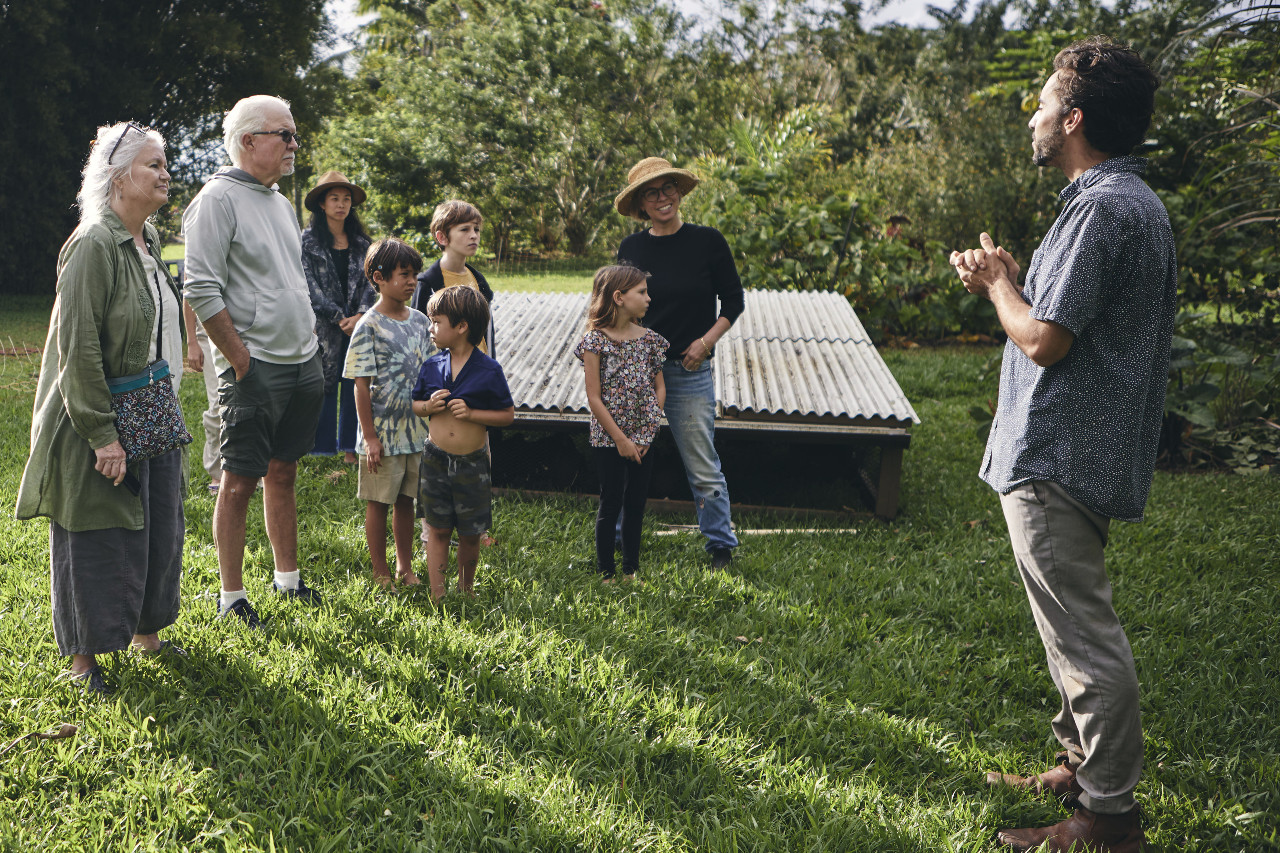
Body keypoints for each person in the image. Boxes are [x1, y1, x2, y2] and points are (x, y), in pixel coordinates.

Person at [950, 37, 1175, 853]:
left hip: (1062, 454)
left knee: (1083, 636)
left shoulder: (1104, 206)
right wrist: (1016, 276)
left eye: (1045, 103)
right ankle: (1080, 766)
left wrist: (997, 286)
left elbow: (1044, 340)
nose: (1037, 116)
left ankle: (1106, 816)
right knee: (1064, 624)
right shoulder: (1120, 201)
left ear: (1074, 118)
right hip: (1076, 450)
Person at [17, 121, 187, 694]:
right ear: (117, 177)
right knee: (93, 529)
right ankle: (84, 661)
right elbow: (78, 344)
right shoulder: (94, 242)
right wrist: (100, 433)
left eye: (165, 164)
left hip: (153, 403)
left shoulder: (146, 240)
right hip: (102, 411)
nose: (164, 173)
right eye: (152, 165)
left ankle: (146, 632)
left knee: (158, 519)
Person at [183, 95, 326, 628]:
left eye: (294, 134)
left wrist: (308, 339)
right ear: (249, 141)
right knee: (238, 480)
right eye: (283, 135)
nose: (294, 144)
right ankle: (231, 596)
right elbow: (200, 286)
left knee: (283, 472)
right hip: (254, 367)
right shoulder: (216, 199)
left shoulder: (280, 203)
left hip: (301, 360)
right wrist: (239, 361)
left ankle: (287, 582)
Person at [614, 157, 744, 570]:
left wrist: (705, 343)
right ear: (640, 204)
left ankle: (720, 547)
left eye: (668, 188)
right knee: (629, 457)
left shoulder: (708, 241)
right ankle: (620, 539)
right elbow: (619, 306)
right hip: (639, 371)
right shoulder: (632, 249)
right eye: (651, 192)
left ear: (679, 192)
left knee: (702, 463)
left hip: (689, 371)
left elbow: (734, 302)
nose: (662, 197)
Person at [411, 287, 514, 602]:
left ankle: (466, 590)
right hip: (435, 459)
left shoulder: (488, 370)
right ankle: (437, 594)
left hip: (472, 462)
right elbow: (415, 405)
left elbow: (507, 415)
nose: (431, 328)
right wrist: (428, 407)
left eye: (436, 321)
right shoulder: (431, 366)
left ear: (461, 327)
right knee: (438, 530)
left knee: (470, 533)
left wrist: (472, 413)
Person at [344, 238, 434, 588]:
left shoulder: (421, 321)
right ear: (379, 277)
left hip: (415, 432)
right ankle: (380, 572)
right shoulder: (368, 325)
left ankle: (404, 567)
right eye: (404, 274)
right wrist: (369, 437)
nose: (412, 281)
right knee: (379, 502)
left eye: (414, 274)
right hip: (381, 433)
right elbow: (361, 385)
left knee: (406, 501)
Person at [573, 265, 668, 582]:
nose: (648, 298)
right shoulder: (595, 342)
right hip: (607, 439)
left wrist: (645, 433)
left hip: (643, 438)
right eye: (641, 292)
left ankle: (630, 570)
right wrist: (621, 440)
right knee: (611, 500)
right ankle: (606, 572)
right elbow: (594, 397)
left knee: (636, 503)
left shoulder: (651, 341)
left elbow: (660, 389)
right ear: (618, 297)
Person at [302, 170, 375, 463]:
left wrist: (359, 315)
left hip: (359, 325)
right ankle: (319, 448)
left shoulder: (362, 243)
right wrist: (336, 316)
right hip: (321, 325)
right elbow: (307, 284)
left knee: (356, 381)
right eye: (334, 198)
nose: (341, 205)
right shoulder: (306, 242)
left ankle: (350, 449)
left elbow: (374, 281)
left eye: (346, 199)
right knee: (322, 382)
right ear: (322, 203)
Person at [411, 200, 494, 355]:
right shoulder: (427, 285)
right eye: (464, 229)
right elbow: (418, 340)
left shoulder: (479, 281)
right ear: (442, 237)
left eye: (476, 229)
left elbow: (487, 335)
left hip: (480, 373)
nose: (474, 235)